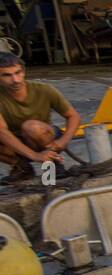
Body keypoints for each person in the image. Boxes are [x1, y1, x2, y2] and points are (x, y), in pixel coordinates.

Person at [0, 51, 81, 179]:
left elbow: (73, 116)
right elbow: (2, 132)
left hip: (45, 137)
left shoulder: (44, 89)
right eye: (7, 75)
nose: (15, 80)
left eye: (18, 73)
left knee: (31, 127)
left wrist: (62, 142)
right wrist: (34, 156)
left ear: (23, 72)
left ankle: (53, 166)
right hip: (17, 141)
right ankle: (22, 168)